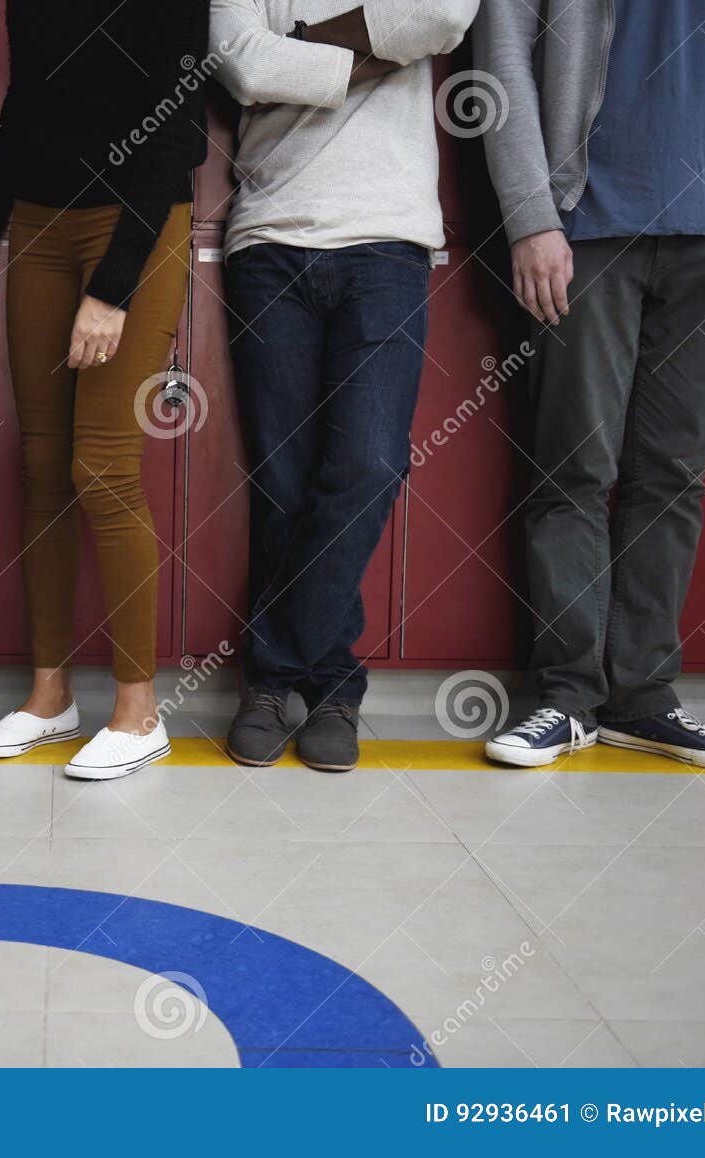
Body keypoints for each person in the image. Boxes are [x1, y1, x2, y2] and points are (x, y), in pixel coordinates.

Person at [477, 0, 705, 771]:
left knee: (674, 475)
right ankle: (566, 699)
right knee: (575, 469)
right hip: (581, 224)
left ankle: (644, 700)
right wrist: (530, 215)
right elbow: (502, 57)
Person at [212, 0, 478, 772]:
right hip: (270, 237)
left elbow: (442, 14)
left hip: (385, 240)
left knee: (368, 465)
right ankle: (329, 690)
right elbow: (240, 64)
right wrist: (376, 45)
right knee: (286, 484)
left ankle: (274, 671)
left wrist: (296, 48)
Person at [0, 0, 207, 781]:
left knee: (101, 468)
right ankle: (48, 697)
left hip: (136, 220)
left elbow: (175, 127)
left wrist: (114, 287)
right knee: (41, 468)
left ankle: (139, 713)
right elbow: (29, 98)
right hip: (38, 221)